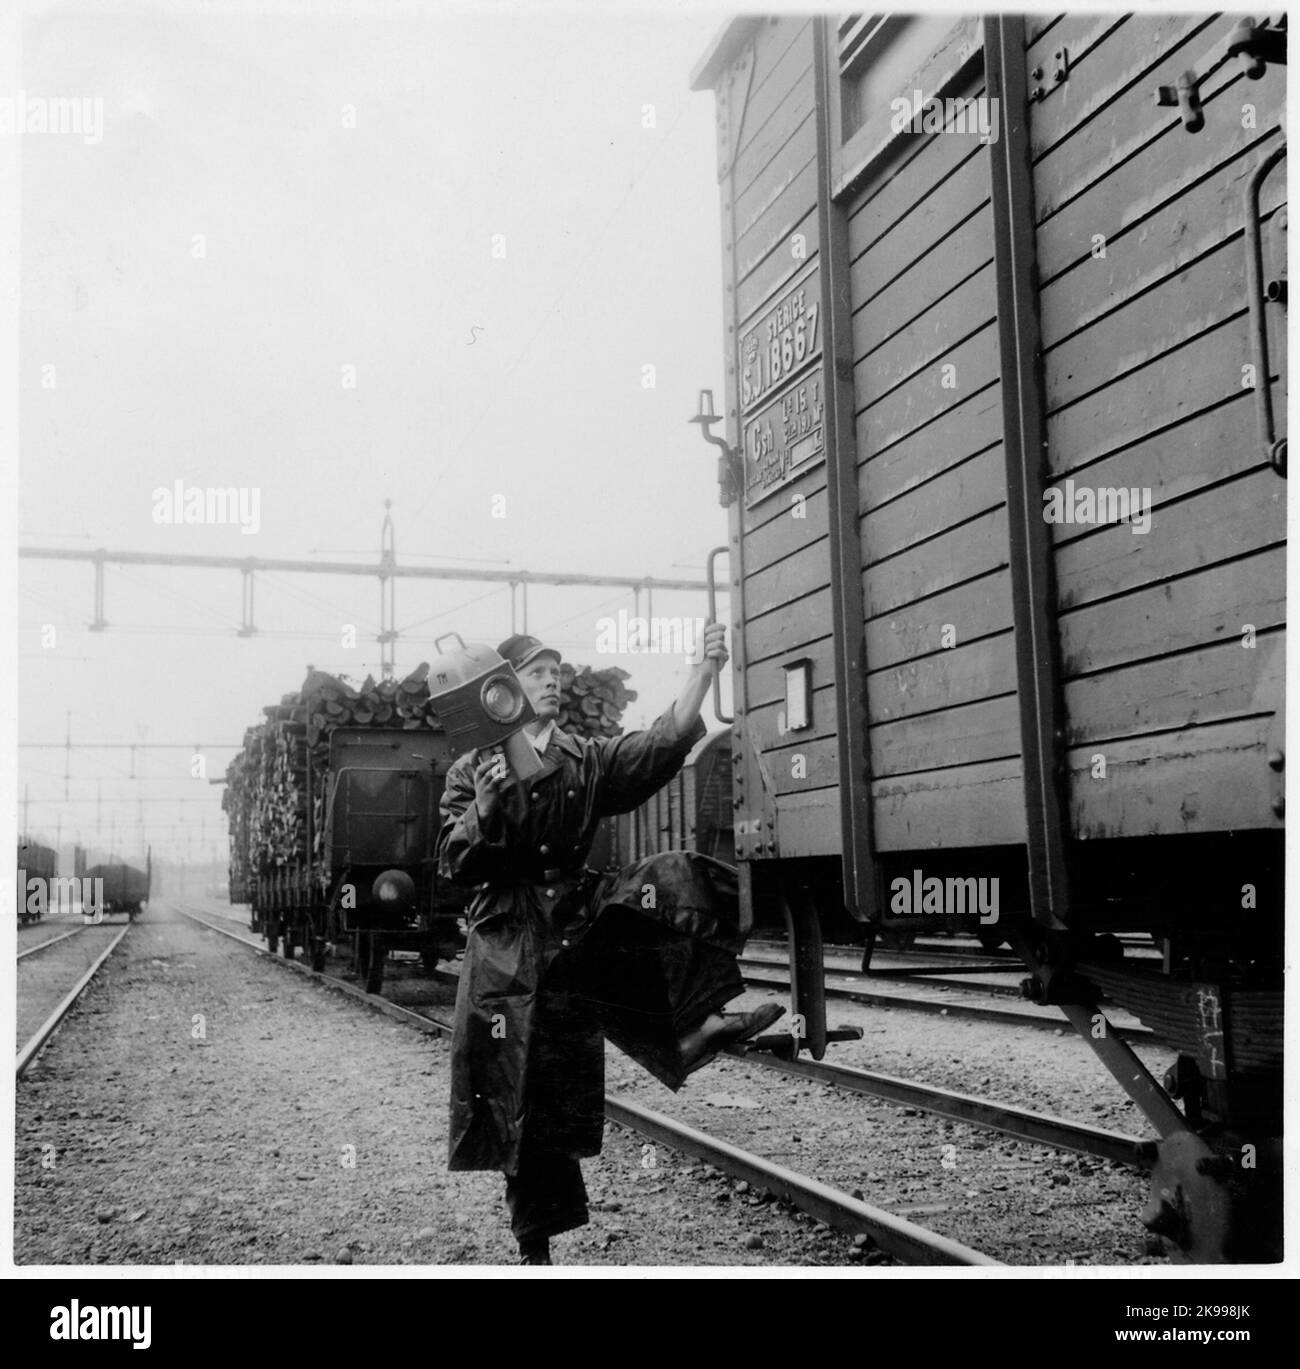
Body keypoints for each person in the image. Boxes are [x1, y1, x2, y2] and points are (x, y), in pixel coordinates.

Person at [436, 623, 783, 1265]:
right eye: (537, 672)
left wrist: (700, 674)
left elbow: (656, 745)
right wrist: (483, 810)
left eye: (555, 673)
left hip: (574, 920)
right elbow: (453, 867)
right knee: (524, 1099)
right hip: (509, 947)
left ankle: (692, 1026)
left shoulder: (583, 759)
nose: (552, 681)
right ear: (501, 688)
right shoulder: (470, 769)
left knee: (674, 878)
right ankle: (533, 1249)